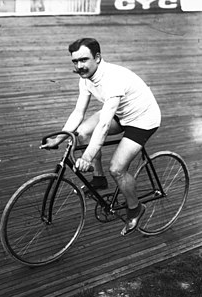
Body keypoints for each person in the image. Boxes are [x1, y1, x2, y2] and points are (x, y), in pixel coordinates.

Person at [41, 38, 161, 236]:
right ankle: (98, 179)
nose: (79, 66)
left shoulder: (112, 79)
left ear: (97, 57)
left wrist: (87, 157)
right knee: (82, 132)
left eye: (84, 60)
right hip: (122, 114)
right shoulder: (86, 78)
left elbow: (104, 125)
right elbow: (79, 112)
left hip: (142, 119)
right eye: (75, 61)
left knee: (117, 168)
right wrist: (59, 139)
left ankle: (135, 208)